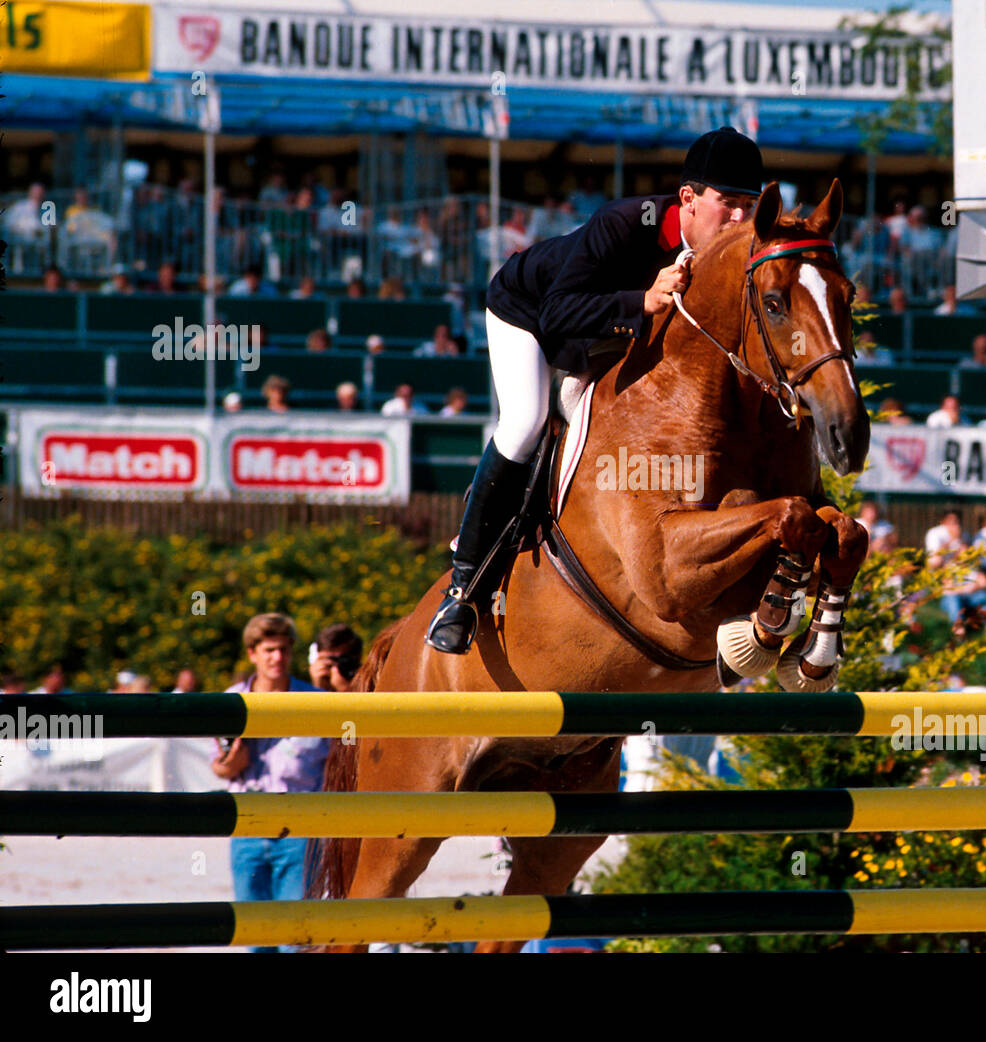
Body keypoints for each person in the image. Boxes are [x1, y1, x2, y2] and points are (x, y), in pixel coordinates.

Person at [426, 127, 766, 653]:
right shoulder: (626, 223)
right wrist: (641, 299)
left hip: (609, 332)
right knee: (525, 424)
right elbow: (559, 313)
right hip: (531, 313)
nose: (740, 220)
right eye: (729, 204)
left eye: (750, 205)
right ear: (688, 200)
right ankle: (464, 587)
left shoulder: (734, 255)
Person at [211, 613, 327, 953]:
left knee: (296, 934)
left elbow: (335, 767)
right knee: (255, 934)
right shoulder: (230, 701)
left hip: (300, 829)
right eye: (269, 650)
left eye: (284, 650)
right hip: (247, 824)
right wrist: (237, 750)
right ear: (252, 653)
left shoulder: (317, 703)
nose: (277, 658)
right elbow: (221, 768)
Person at [307, 623, 364, 692]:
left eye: (342, 660)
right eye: (329, 664)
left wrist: (348, 690)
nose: (335, 669)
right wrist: (318, 687)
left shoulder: (373, 684)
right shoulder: (299, 690)